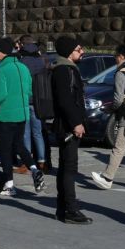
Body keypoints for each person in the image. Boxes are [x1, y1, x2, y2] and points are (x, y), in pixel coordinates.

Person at [0, 37, 44, 197]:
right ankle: (34, 170)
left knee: (5, 152)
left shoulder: (1, 69)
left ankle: (9, 185)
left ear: (1, 53)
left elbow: (1, 95)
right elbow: (29, 91)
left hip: (6, 115)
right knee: (20, 146)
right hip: (22, 113)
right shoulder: (23, 67)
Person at [51, 35, 91, 224]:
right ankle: (71, 210)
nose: (82, 52)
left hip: (66, 124)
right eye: (78, 49)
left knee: (65, 167)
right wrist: (76, 123)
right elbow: (66, 100)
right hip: (67, 127)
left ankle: (62, 208)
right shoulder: (64, 70)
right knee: (69, 168)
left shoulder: (66, 68)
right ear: (69, 52)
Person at [91, 44, 125, 190]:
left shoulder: (121, 73)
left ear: (121, 56)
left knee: (119, 147)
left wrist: (111, 109)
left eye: (115, 57)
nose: (115, 60)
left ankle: (107, 177)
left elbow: (118, 98)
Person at [17, 35, 49, 171]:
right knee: (38, 132)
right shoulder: (41, 59)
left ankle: (27, 163)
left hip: (25, 99)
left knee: (26, 132)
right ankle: (42, 161)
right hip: (38, 100)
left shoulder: (21, 60)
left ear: (22, 44)